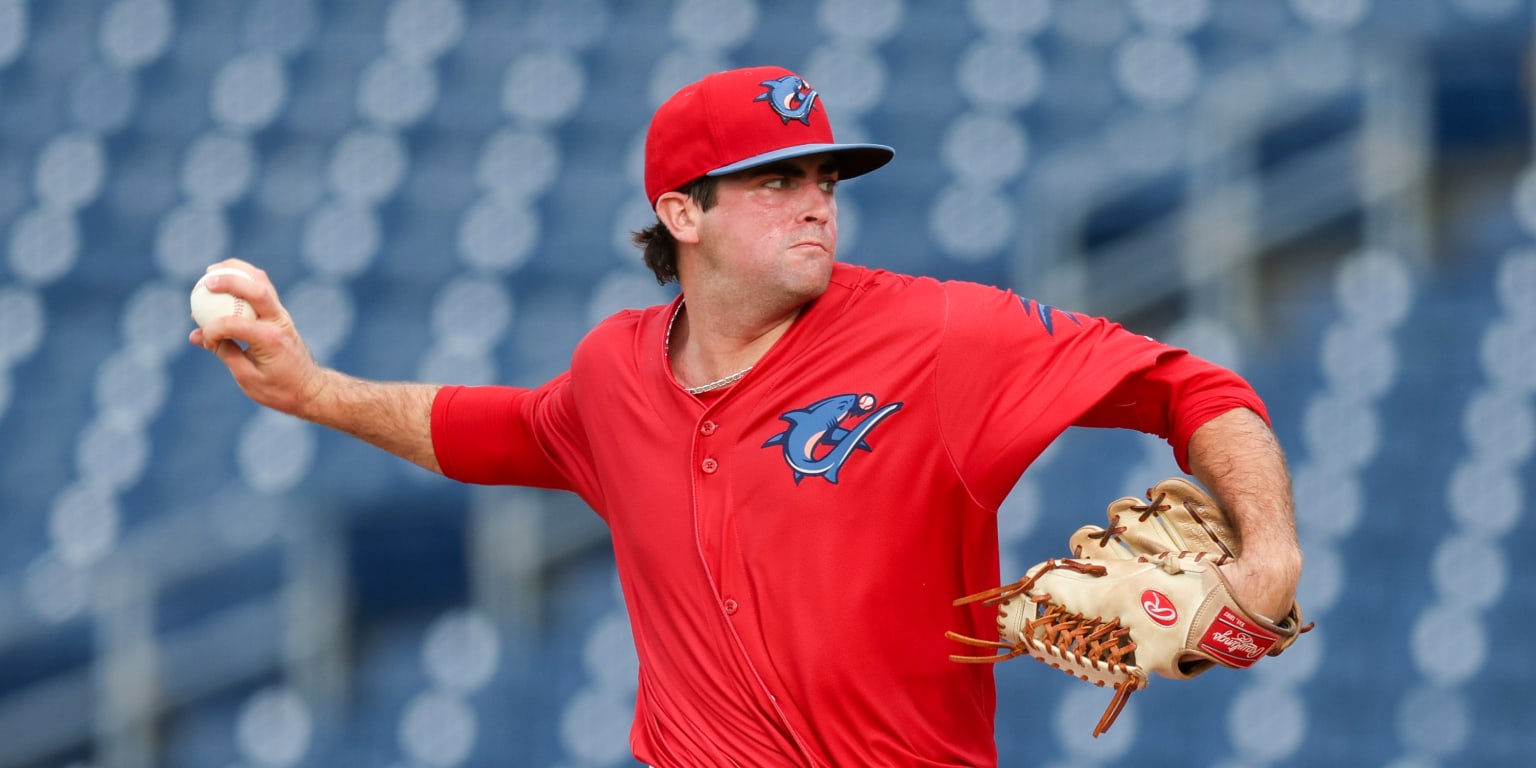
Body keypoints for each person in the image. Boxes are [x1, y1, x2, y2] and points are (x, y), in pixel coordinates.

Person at [192, 65, 1302, 767]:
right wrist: (313, 391)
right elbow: (498, 430)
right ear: (682, 214)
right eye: (776, 182)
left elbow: (1189, 385)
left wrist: (1270, 554)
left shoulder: (941, 335)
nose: (816, 202)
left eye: (825, 178)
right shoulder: (614, 372)